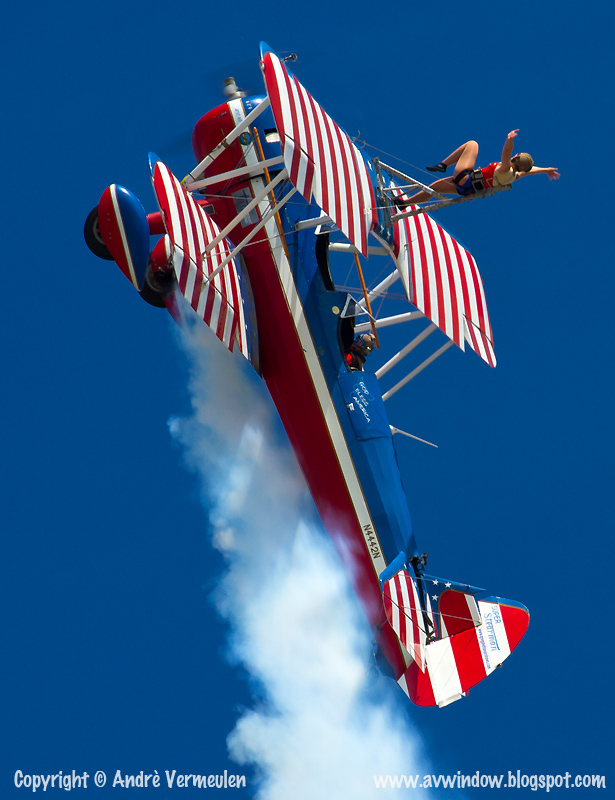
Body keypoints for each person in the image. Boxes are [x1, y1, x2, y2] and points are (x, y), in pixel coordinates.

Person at [395, 130, 560, 207]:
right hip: (466, 189)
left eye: (516, 156)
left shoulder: (505, 169)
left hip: (464, 178)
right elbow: (529, 171)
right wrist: (545, 170)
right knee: (433, 188)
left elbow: (506, 152)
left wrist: (509, 139)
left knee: (472, 144)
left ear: (515, 159)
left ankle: (443, 165)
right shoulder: (513, 177)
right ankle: (405, 203)